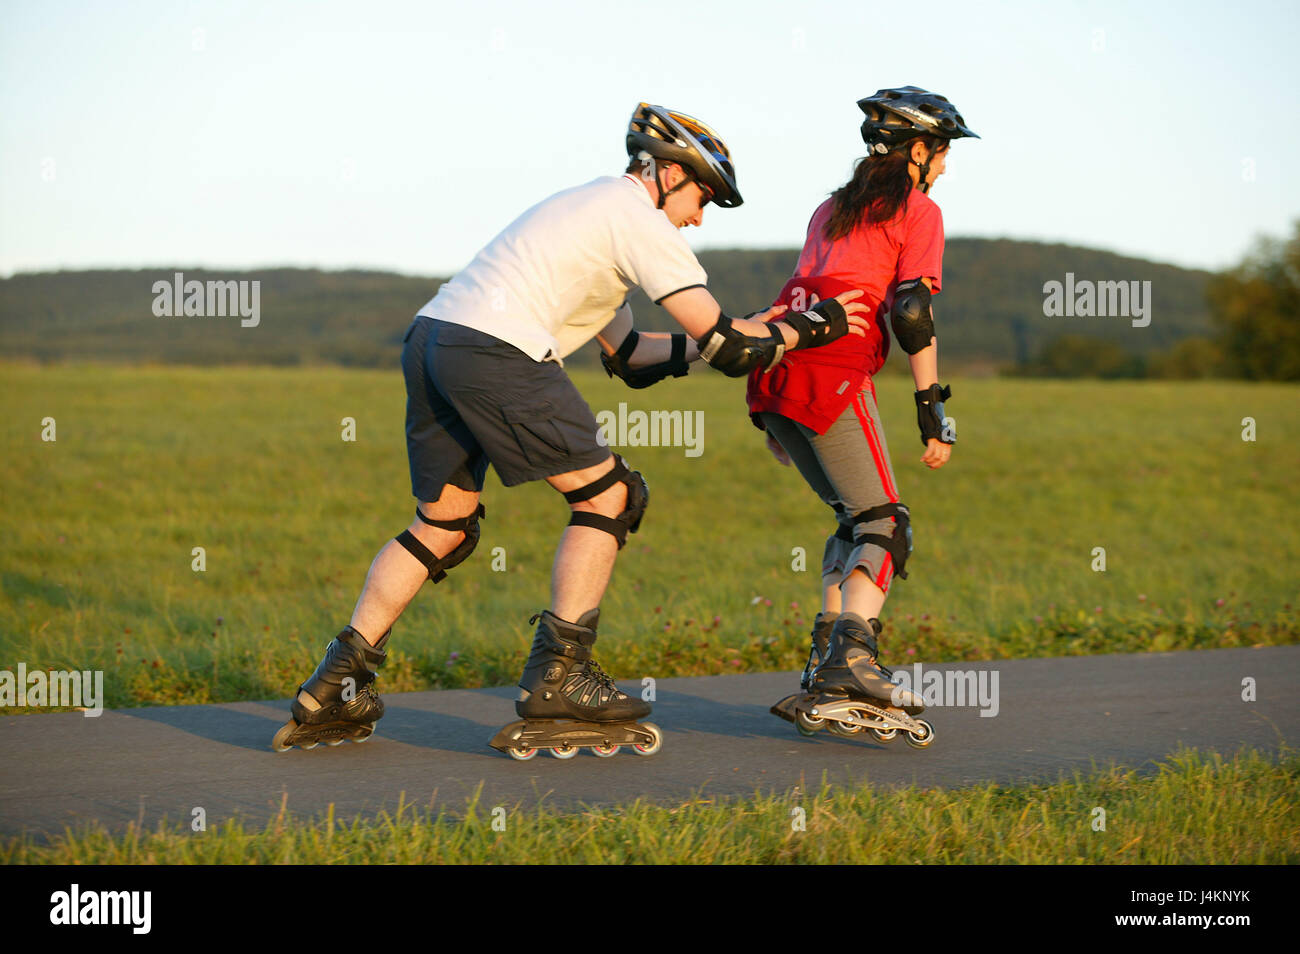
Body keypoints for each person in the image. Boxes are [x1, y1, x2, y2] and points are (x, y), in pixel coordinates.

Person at [272, 103, 872, 756]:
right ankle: (561, 678)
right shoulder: (638, 219)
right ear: (668, 173)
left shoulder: (589, 209)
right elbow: (733, 350)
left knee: (443, 526)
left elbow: (634, 358)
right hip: (496, 348)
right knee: (612, 496)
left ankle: (337, 682)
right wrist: (816, 324)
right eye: (704, 195)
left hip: (434, 338)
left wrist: (742, 332)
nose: (701, 217)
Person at [759, 87, 977, 747]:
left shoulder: (829, 209)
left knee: (851, 518)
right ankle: (851, 662)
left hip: (776, 371)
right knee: (886, 523)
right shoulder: (919, 210)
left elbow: (800, 296)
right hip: (831, 370)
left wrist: (773, 414)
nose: (943, 166)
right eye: (940, 153)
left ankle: (828, 659)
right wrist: (931, 409)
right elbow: (910, 310)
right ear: (918, 149)